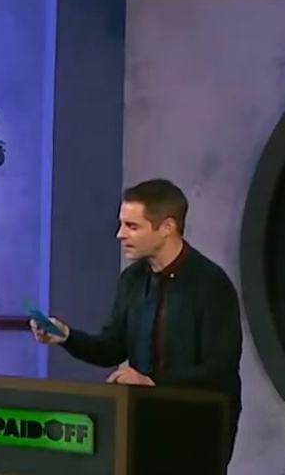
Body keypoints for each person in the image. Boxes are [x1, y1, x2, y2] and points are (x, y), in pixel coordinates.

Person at [31, 178, 243, 457]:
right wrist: (66, 336)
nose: (120, 234)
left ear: (167, 228)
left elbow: (219, 368)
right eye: (122, 224)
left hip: (198, 429)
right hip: (141, 420)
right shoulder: (132, 280)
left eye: (132, 226)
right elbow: (112, 348)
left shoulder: (210, 284)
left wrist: (153, 382)